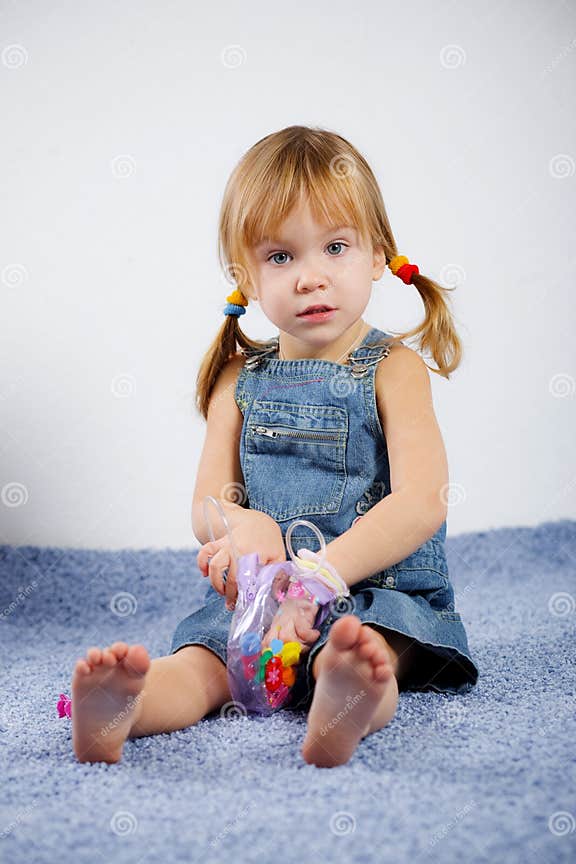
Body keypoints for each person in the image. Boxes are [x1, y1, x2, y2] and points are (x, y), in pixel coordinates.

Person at [70, 125, 479, 768]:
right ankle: (125, 707)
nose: (310, 278)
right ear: (247, 277)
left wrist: (320, 576)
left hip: (375, 593)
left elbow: (424, 500)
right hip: (259, 604)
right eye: (281, 257)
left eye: (335, 247)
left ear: (378, 256)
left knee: (367, 647)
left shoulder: (393, 368)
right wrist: (240, 524)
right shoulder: (238, 380)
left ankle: (343, 702)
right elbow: (205, 505)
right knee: (202, 663)